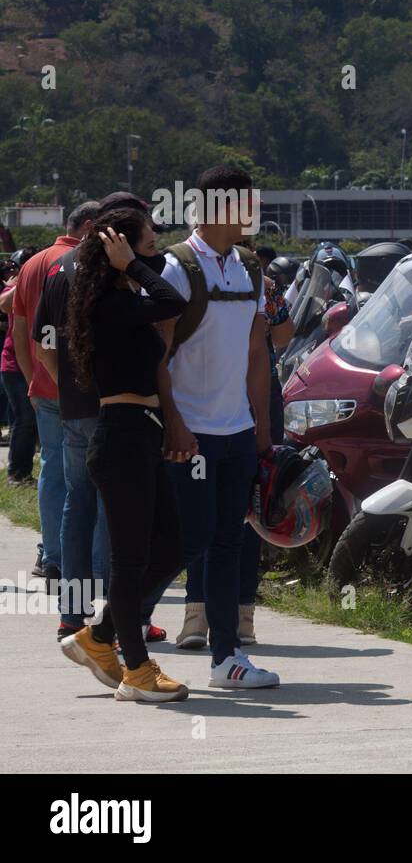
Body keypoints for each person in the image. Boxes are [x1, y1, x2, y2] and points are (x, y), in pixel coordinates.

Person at [153, 164, 279, 689]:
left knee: (228, 542)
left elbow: (256, 356)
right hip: (191, 433)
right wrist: (175, 424)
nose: (256, 212)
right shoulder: (176, 268)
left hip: (237, 434)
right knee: (188, 541)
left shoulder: (249, 269)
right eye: (250, 202)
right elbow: (156, 357)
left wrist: (262, 430)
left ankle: (227, 658)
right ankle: (112, 627)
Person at [59, 208, 190, 702]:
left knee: (174, 544)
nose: (156, 246)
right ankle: (135, 671)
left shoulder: (123, 296)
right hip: (120, 438)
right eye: (149, 241)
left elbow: (167, 294)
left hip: (141, 435)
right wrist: (131, 263)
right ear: (121, 248)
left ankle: (97, 637)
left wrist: (132, 264)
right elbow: (172, 300)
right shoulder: (109, 304)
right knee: (130, 559)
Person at [34, 195, 141, 642]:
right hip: (114, 408)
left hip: (74, 406)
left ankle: (72, 614)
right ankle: (120, 617)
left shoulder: (59, 270)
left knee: (76, 503)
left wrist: (70, 385)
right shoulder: (112, 275)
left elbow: (43, 342)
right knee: (120, 512)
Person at [12, 204, 101, 579]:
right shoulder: (80, 265)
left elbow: (19, 329)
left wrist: (33, 377)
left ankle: (52, 555)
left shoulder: (33, 264)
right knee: (86, 482)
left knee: (51, 469)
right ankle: (91, 565)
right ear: (89, 227)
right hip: (79, 389)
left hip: (43, 384)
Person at [0, 260, 36, 492]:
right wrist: (23, 281)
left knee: (25, 421)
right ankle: (16, 473)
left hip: (29, 364)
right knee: (25, 420)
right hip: (14, 367)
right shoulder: (13, 289)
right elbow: (4, 302)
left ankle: (21, 471)